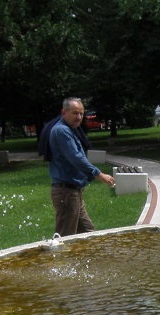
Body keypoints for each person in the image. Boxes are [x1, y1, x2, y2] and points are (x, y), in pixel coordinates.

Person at [48, 97, 115, 236]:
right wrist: (100, 175)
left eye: (81, 113)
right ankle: (59, 258)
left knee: (89, 234)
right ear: (64, 112)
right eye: (75, 113)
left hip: (73, 192)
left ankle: (89, 258)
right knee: (65, 238)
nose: (79, 117)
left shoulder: (69, 129)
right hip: (66, 193)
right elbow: (76, 158)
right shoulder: (61, 131)